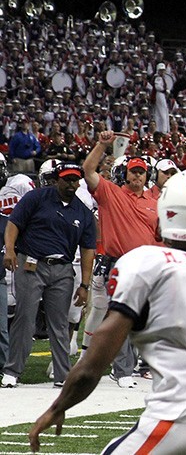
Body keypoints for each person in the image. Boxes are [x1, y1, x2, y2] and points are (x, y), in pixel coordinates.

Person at [28, 170, 186, 455]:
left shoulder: (146, 262)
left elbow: (94, 362)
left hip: (174, 418)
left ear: (165, 218)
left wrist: (58, 407)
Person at [1, 163, 95, 388]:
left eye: (75, 180)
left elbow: (88, 249)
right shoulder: (36, 198)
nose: (71, 184)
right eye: (66, 179)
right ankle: (13, 371)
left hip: (62, 269)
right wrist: (10, 249)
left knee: (59, 322)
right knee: (25, 317)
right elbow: (14, 223)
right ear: (57, 179)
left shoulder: (83, 212)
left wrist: (85, 284)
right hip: (32, 263)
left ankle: (63, 375)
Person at [83, 132, 161, 388]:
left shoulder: (155, 200)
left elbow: (160, 234)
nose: (137, 176)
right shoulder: (111, 193)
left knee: (147, 318)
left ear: (146, 175)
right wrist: (102, 145)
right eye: (133, 172)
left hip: (149, 265)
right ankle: (122, 369)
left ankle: (143, 365)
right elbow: (88, 170)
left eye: (141, 172)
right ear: (126, 174)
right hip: (121, 263)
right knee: (123, 316)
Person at [0, 154, 35, 370]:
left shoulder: (19, 183)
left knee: (14, 305)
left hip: (15, 250)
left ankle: (10, 360)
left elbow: (32, 215)